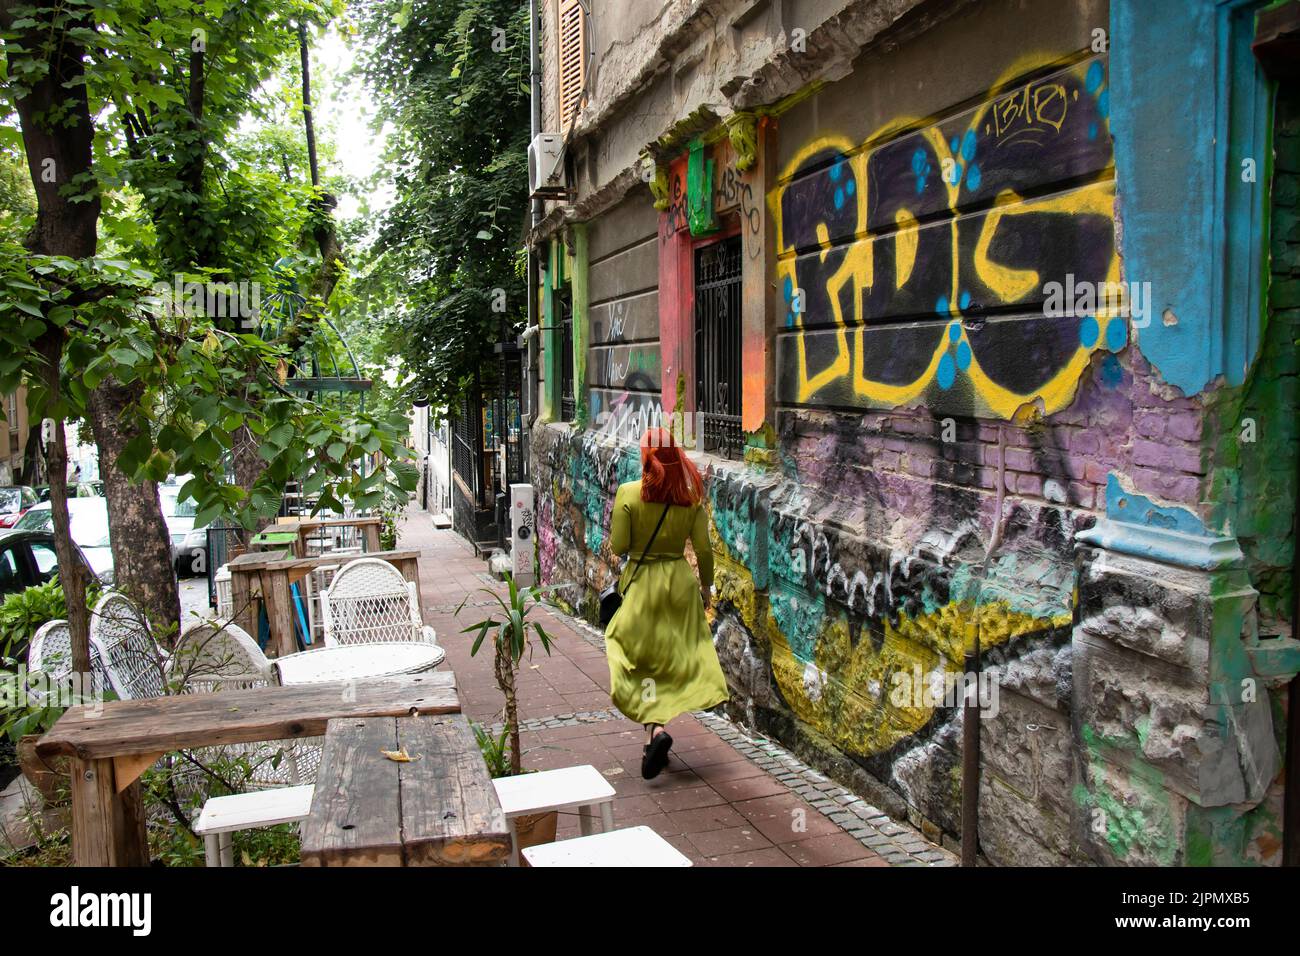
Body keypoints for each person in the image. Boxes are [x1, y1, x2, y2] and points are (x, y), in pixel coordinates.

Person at [605, 426, 729, 779]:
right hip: (679, 586)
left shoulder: (629, 495)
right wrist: (707, 589)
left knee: (630, 652)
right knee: (674, 659)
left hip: (644, 586)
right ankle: (653, 735)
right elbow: (704, 551)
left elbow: (619, 546)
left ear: (646, 457)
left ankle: (655, 731)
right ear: (675, 457)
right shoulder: (690, 501)